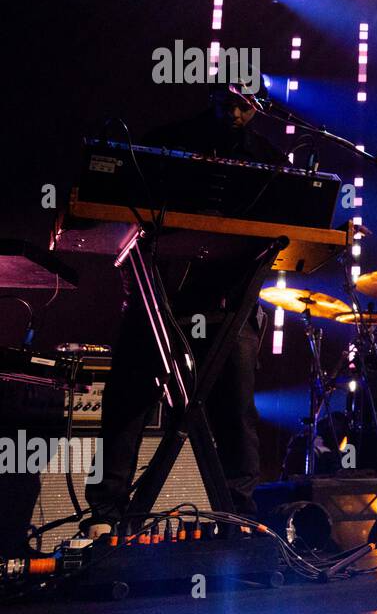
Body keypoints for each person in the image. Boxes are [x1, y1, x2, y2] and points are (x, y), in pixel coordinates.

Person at [85, 84, 287, 532]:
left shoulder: (269, 157)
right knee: (127, 402)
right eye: (228, 102)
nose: (235, 112)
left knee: (235, 410)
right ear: (213, 97)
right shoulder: (169, 140)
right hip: (162, 297)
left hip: (228, 302)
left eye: (245, 105)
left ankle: (237, 513)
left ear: (257, 107)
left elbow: (291, 219)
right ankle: (105, 514)